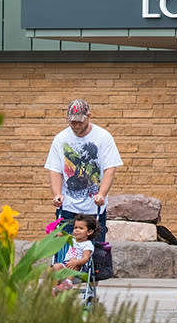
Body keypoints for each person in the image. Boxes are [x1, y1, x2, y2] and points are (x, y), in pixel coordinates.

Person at [45, 99, 123, 244]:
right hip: (67, 206)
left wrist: (102, 194)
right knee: (65, 250)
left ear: (89, 116)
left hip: (94, 207)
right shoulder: (60, 139)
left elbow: (109, 169)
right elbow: (55, 170)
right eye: (72, 122)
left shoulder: (103, 137)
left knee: (95, 251)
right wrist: (57, 195)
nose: (76, 125)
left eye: (80, 121)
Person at [52, 214, 97, 294]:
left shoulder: (87, 244)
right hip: (66, 265)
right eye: (75, 227)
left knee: (73, 259)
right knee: (56, 266)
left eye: (81, 228)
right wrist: (55, 232)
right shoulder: (73, 239)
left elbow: (85, 258)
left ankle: (68, 282)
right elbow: (62, 235)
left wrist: (75, 262)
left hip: (79, 270)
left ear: (89, 232)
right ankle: (54, 288)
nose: (77, 230)